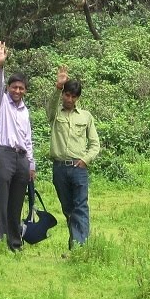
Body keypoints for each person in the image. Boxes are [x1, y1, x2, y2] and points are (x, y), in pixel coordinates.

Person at [0, 41, 35, 251]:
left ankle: (15, 243)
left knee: (16, 203)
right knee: (0, 201)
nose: (17, 90)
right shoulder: (0, 102)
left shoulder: (24, 111)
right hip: (2, 155)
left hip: (21, 158)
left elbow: (28, 138)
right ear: (8, 88)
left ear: (25, 90)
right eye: (14, 87)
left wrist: (31, 164)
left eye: (21, 88)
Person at [48, 65, 100, 249]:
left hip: (78, 169)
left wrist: (85, 160)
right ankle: (75, 243)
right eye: (67, 95)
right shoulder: (55, 114)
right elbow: (49, 109)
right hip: (60, 168)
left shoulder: (86, 117)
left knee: (81, 207)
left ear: (78, 98)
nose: (69, 99)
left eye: (73, 96)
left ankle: (80, 247)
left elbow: (95, 144)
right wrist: (58, 87)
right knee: (68, 209)